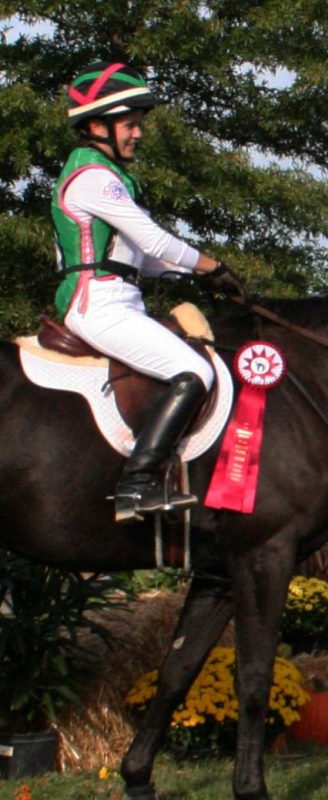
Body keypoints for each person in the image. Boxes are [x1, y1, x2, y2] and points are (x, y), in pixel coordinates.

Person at [51, 61, 245, 523]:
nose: (138, 134)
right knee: (193, 370)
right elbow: (156, 241)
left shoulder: (105, 175)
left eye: (138, 125)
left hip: (118, 298)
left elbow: (147, 258)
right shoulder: (93, 177)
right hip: (97, 305)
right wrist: (213, 265)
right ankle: (136, 486)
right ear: (98, 125)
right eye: (131, 124)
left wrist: (197, 276)